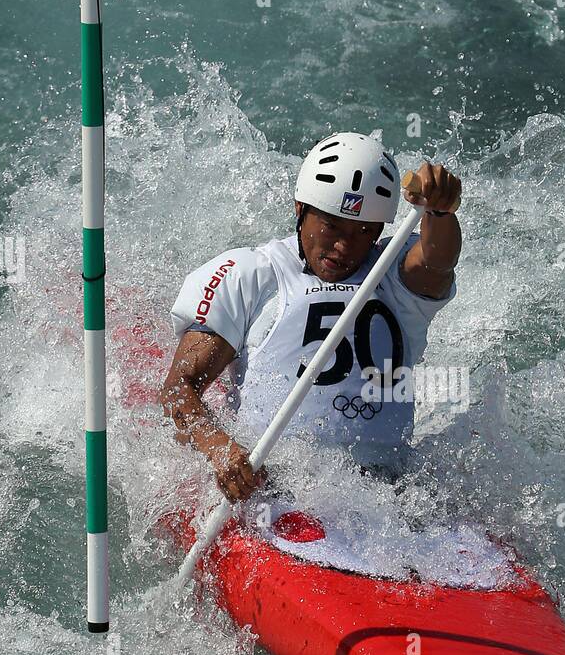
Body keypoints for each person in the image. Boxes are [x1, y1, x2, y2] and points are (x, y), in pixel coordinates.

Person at [161, 132, 462, 501]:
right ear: (300, 208)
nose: (343, 246)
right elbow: (179, 390)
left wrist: (441, 212)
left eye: (363, 232)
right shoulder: (251, 275)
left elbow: (436, 261)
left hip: (390, 495)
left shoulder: (395, 277)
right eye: (332, 226)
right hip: (273, 490)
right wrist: (221, 449)